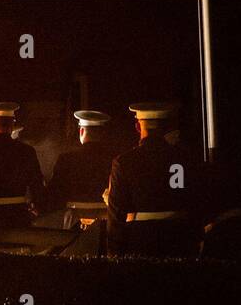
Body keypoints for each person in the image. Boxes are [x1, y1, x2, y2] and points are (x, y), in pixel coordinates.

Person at [106, 102, 198, 257]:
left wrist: (113, 252)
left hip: (140, 239)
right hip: (177, 238)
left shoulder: (124, 162)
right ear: (165, 128)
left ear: (137, 126)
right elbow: (190, 198)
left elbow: (117, 212)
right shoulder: (182, 158)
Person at [44, 110, 119, 223]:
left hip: (75, 218)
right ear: (102, 133)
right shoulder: (115, 159)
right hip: (106, 218)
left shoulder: (66, 158)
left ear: (81, 131)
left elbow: (56, 192)